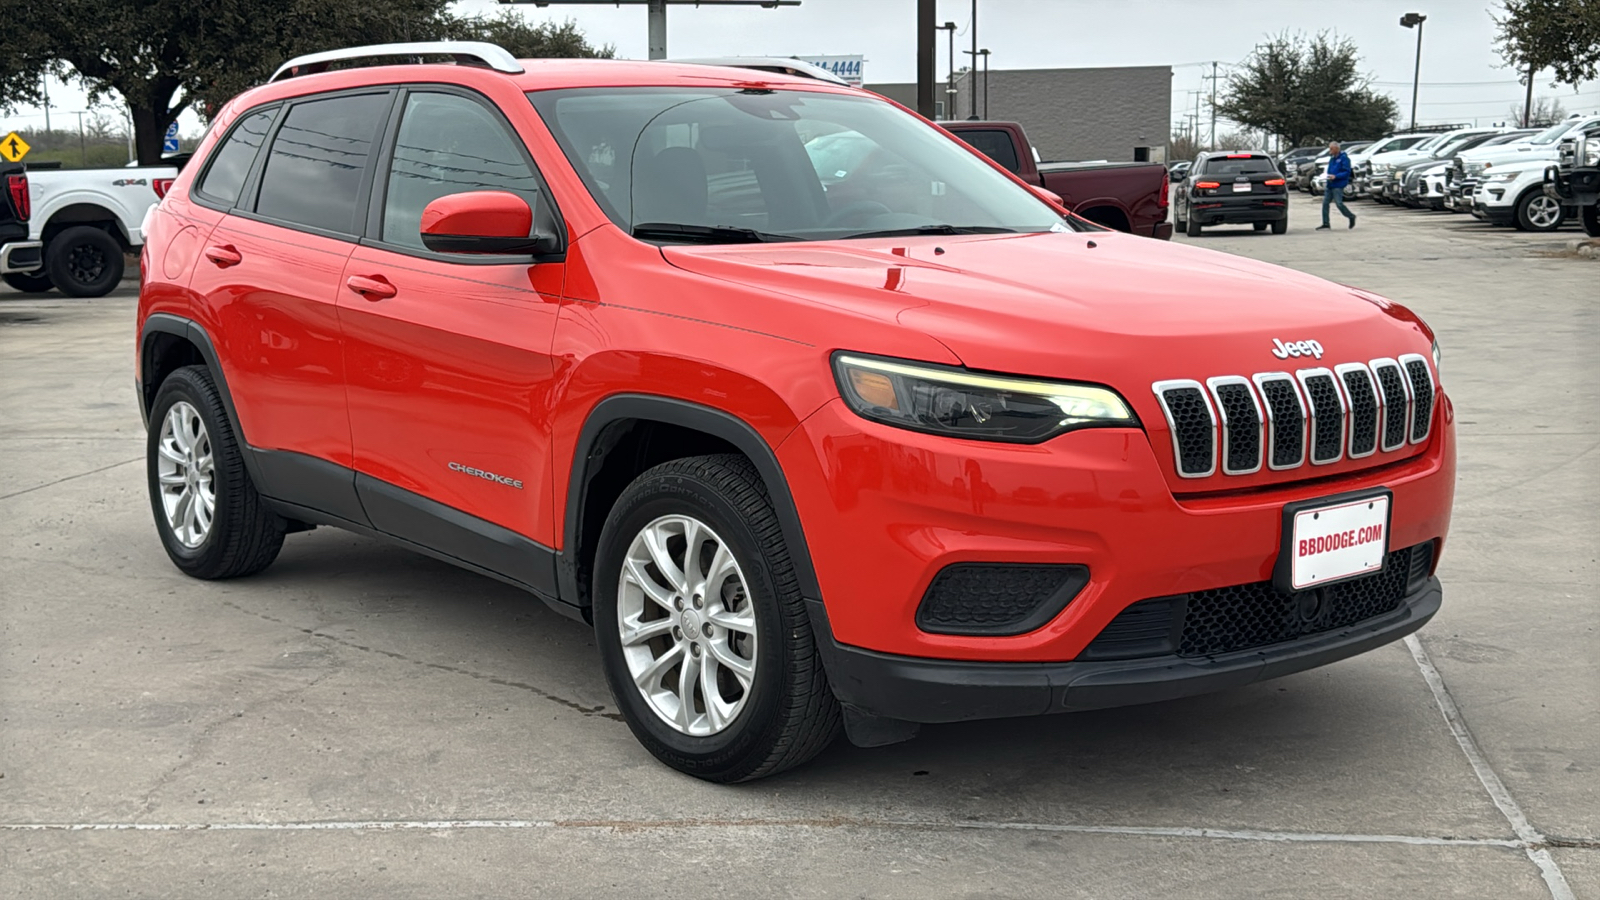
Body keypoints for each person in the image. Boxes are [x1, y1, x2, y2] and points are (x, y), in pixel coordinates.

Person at [1319, 141, 1357, 230]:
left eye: (1331, 148)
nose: (1330, 150)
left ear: (1337, 149)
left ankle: (1351, 216)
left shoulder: (1344, 158)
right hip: (1330, 183)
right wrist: (1328, 176)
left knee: (1339, 203)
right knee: (1325, 203)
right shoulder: (1332, 158)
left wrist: (1336, 176)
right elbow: (1330, 170)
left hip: (1338, 184)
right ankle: (1326, 223)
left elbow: (1346, 172)